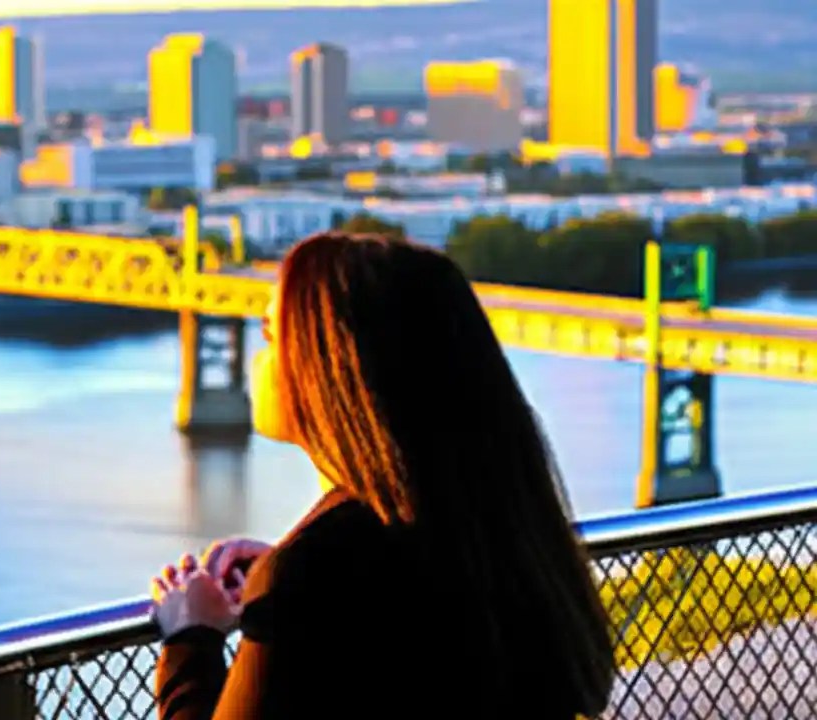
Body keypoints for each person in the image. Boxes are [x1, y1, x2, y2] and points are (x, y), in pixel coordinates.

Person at [148, 232, 616, 719]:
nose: (257, 360)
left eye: (268, 335)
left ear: (327, 362)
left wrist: (192, 637)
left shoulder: (313, 572)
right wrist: (281, 589)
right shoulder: (497, 522)